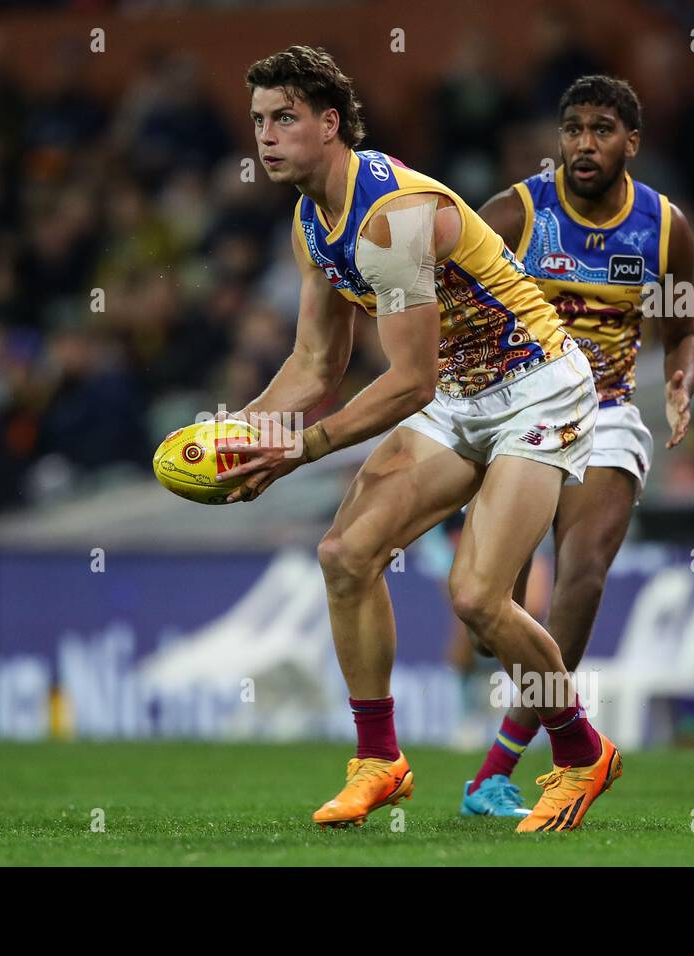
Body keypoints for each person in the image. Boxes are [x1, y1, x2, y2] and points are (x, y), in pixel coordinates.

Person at [218, 46, 620, 832]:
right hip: (465, 392)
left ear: (329, 123)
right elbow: (313, 364)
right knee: (345, 554)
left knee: (476, 597)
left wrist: (300, 448)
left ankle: (582, 754)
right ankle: (380, 762)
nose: (266, 136)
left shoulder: (391, 218)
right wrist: (238, 435)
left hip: (539, 386)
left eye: (285, 118)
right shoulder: (313, 220)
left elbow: (409, 382)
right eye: (259, 121)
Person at [458, 76, 694, 817]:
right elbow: (446, 287)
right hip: (521, 413)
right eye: (572, 129)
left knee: (584, 576)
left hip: (608, 413)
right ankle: (530, 734)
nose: (584, 144)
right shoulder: (517, 211)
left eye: (602, 130)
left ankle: (497, 771)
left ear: (632, 142)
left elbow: (684, 328)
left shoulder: (664, 227)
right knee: (484, 614)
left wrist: (682, 380)